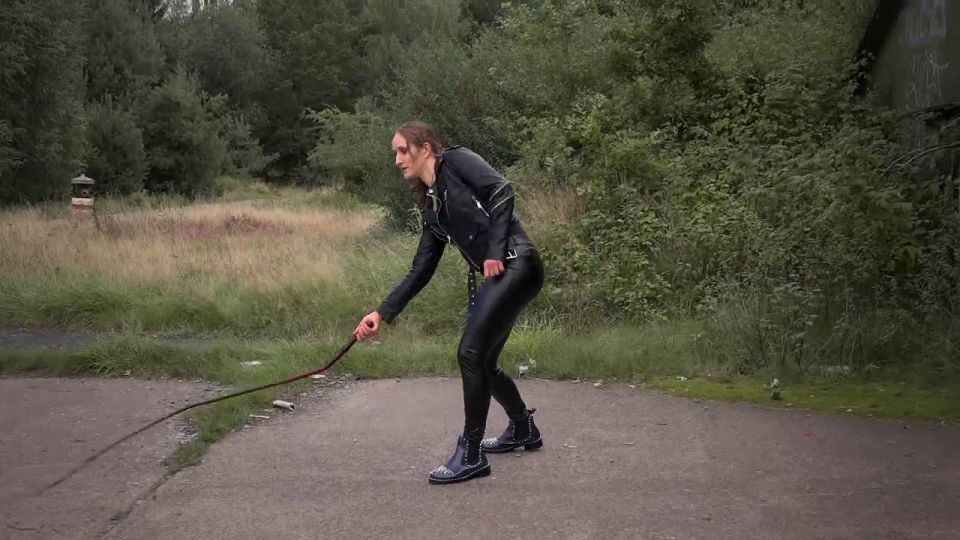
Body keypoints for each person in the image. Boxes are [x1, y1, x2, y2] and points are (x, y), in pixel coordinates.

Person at [353, 121, 546, 485]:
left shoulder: (457, 161)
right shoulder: (434, 207)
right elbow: (420, 270)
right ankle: (523, 427)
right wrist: (382, 312)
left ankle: (471, 454)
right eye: (394, 152)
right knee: (483, 360)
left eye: (401, 150)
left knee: (470, 354)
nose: (396, 159)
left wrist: (493, 251)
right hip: (505, 272)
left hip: (516, 264)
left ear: (425, 148)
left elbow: (502, 191)